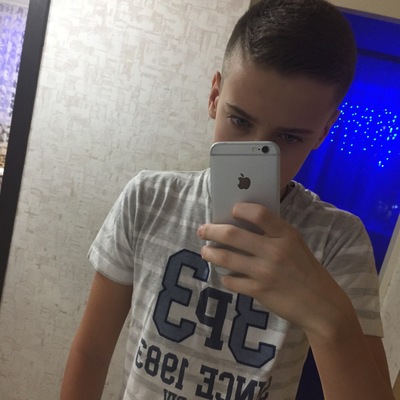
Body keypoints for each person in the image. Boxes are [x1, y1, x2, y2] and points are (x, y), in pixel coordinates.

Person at [60, 1, 394, 399]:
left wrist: (326, 315)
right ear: (215, 96)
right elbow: (92, 353)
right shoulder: (147, 199)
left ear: (323, 131)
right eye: (240, 120)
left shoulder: (338, 241)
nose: (255, 153)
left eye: (289, 137)